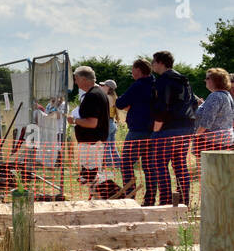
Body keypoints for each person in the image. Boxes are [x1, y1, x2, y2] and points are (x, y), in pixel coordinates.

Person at [150, 50, 197, 206]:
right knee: (180, 165)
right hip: (186, 127)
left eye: (154, 62)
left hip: (168, 129)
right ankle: (184, 202)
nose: (152, 65)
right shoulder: (184, 80)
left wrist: (156, 131)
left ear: (161, 63)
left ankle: (165, 202)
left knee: (160, 164)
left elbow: (162, 107)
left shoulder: (163, 80)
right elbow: (194, 102)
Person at [114, 59, 156, 203]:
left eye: (133, 69)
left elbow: (120, 103)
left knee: (126, 163)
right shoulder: (156, 84)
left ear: (138, 70)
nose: (132, 72)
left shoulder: (138, 85)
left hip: (137, 130)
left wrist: (130, 104)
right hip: (154, 131)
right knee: (149, 166)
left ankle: (130, 197)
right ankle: (150, 199)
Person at [69, 65, 110, 187]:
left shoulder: (92, 96)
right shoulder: (98, 93)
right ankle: (96, 199)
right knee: (90, 177)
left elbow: (92, 123)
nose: (76, 82)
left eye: (76, 79)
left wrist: (74, 120)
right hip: (93, 143)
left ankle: (99, 201)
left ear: (83, 79)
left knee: (92, 178)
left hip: (91, 144)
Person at [195, 67, 234, 151]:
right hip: (225, 140)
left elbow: (207, 121)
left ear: (216, 80)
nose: (205, 80)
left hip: (211, 141)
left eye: (207, 78)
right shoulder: (227, 95)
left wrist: (196, 135)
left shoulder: (215, 96)